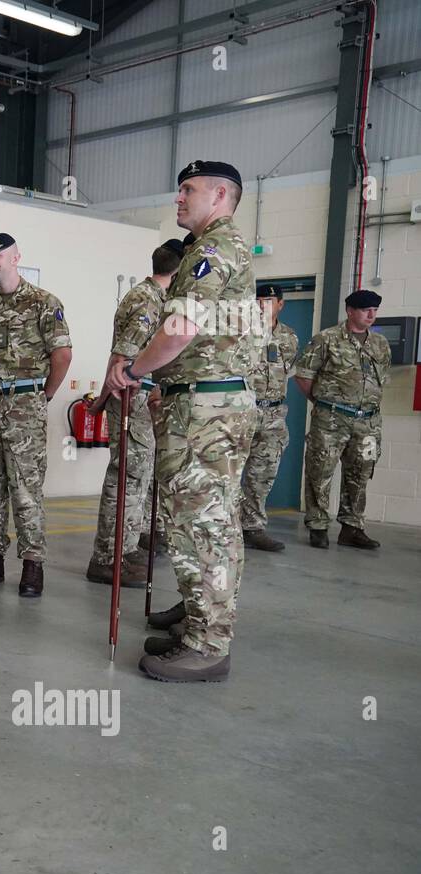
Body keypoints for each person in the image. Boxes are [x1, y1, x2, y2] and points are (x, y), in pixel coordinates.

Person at [108, 160, 259, 683]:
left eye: (187, 190)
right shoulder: (205, 248)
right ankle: (198, 617)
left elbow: (178, 330)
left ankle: (209, 644)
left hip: (208, 410)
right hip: (197, 403)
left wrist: (134, 369)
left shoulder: (217, 248)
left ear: (220, 195)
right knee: (195, 523)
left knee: (207, 525)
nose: (178, 199)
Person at [0, 233, 72, 598]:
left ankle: (32, 564)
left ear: (16, 257)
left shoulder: (43, 302)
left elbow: (62, 355)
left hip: (26, 407)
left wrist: (46, 394)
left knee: (26, 489)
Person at [83, 239, 183, 588]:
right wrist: (107, 397)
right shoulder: (145, 299)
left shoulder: (158, 299)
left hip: (141, 397)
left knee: (139, 476)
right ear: (179, 269)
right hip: (132, 397)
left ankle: (127, 546)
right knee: (128, 477)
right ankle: (109, 557)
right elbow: (123, 359)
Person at [294, 289, 390, 550]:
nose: (371, 314)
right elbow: (303, 376)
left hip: (368, 422)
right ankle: (318, 525)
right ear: (350, 311)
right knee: (320, 470)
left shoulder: (380, 343)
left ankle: (352, 527)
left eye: (374, 310)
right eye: (365, 310)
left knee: (360, 473)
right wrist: (324, 404)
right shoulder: (326, 339)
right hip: (332, 419)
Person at [240, 284, 300, 552]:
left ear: (280, 304)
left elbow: (289, 374)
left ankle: (252, 527)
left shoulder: (289, 337)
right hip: (244, 411)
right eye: (259, 300)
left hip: (274, 414)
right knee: (228, 473)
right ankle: (224, 526)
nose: (263, 305)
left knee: (263, 474)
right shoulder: (240, 333)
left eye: (269, 300)